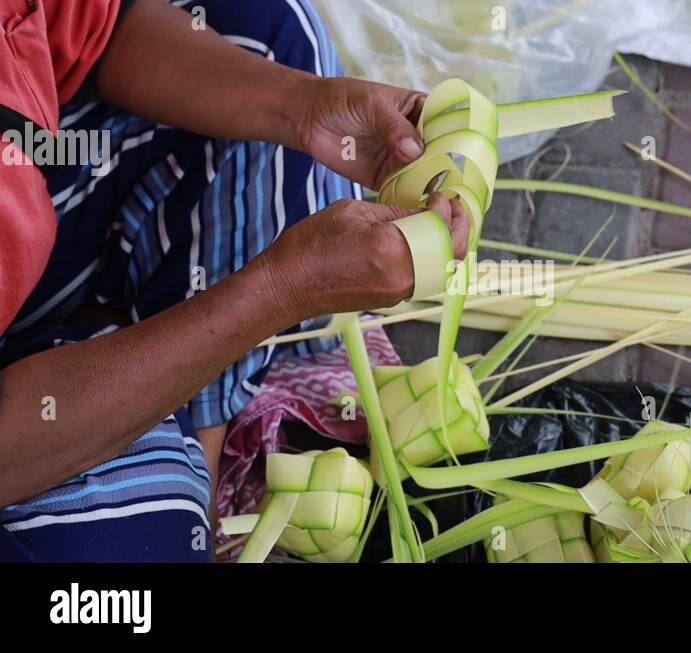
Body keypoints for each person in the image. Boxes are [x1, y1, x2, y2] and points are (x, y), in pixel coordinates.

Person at [0, 0, 468, 562]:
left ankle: (196, 435)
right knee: (138, 537)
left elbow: (95, 31)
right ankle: (152, 450)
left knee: (271, 34)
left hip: (26, 198)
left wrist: (304, 110)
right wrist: (285, 287)